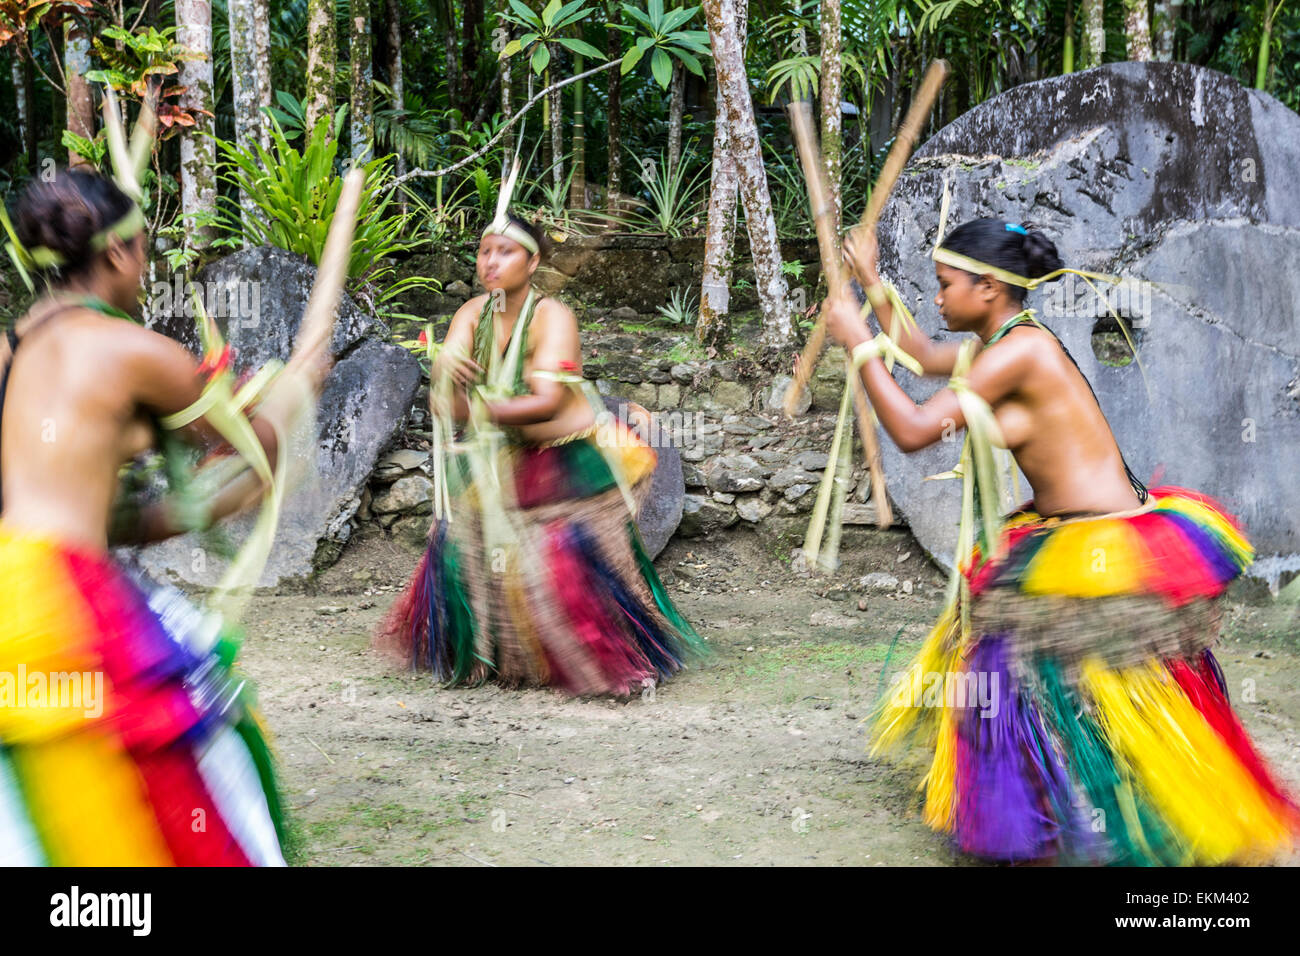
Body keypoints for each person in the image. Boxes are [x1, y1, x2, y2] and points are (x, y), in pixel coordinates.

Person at [820, 217, 1300, 865]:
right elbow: (918, 351)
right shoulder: (999, 343)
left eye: (944, 285)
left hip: (1102, 543)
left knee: (1046, 668)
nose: (935, 299)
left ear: (989, 288)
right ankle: (1057, 809)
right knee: (1001, 657)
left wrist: (856, 345)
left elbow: (911, 428)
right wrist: (871, 283)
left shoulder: (1020, 352)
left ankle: (1096, 819)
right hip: (1072, 529)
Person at [0, 168, 325, 865]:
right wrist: (299, 380)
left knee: (50, 785)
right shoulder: (133, 351)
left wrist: (190, 505)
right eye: (143, 248)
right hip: (66, 596)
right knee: (195, 764)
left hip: (11, 592)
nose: (146, 267)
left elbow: (113, 519)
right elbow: (250, 442)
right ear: (117, 253)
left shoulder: (8, 353)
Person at [377, 204, 704, 696]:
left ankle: (607, 661)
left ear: (531, 264)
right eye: (484, 251)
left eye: (505, 252)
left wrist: (476, 401)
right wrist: (446, 376)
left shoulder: (553, 317)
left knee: (561, 555)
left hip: (570, 456)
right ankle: (502, 658)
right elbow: (450, 406)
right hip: (505, 456)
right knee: (462, 542)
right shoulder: (472, 314)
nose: (490, 262)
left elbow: (546, 401)